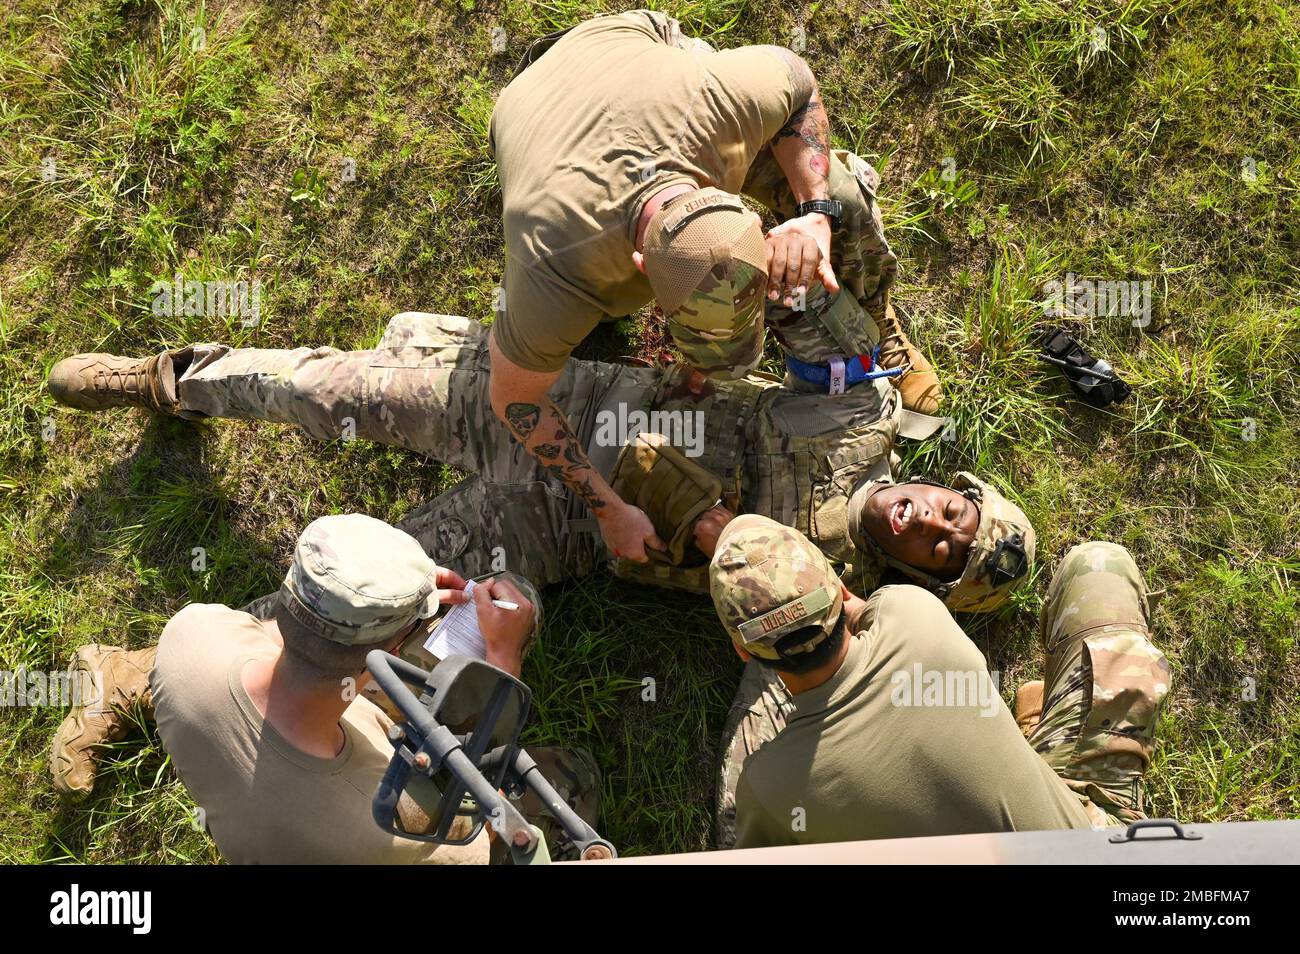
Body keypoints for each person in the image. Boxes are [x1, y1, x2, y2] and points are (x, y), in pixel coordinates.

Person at [45, 312, 1016, 610]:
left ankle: (155, 674)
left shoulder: (838, 590)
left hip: (552, 529)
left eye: (940, 554)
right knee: (328, 391)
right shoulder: (864, 415)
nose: (928, 526)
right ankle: (170, 380)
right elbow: (822, 314)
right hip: (556, 402)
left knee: (379, 596)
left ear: (916, 576)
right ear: (949, 488)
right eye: (951, 517)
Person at [485, 9, 942, 564]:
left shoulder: (723, 105)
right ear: (640, 267)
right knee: (586, 322)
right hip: (528, 108)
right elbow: (513, 397)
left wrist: (816, 214)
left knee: (841, 197)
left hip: (628, 52)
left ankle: (878, 322)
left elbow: (799, 80)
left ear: (734, 202)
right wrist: (608, 508)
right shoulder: (553, 270)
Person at [49, 513, 600, 864]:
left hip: (260, 763)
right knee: (569, 777)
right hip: (326, 822)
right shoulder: (384, 822)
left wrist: (394, 594)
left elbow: (267, 639)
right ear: (384, 658)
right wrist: (504, 657)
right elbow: (489, 826)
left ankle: (115, 675)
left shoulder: (189, 640)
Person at [703, 514, 1171, 849]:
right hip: (1097, 849)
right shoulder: (913, 612)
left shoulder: (767, 783)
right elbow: (866, 610)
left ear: (742, 651)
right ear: (838, 590)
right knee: (1098, 565)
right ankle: (1034, 751)